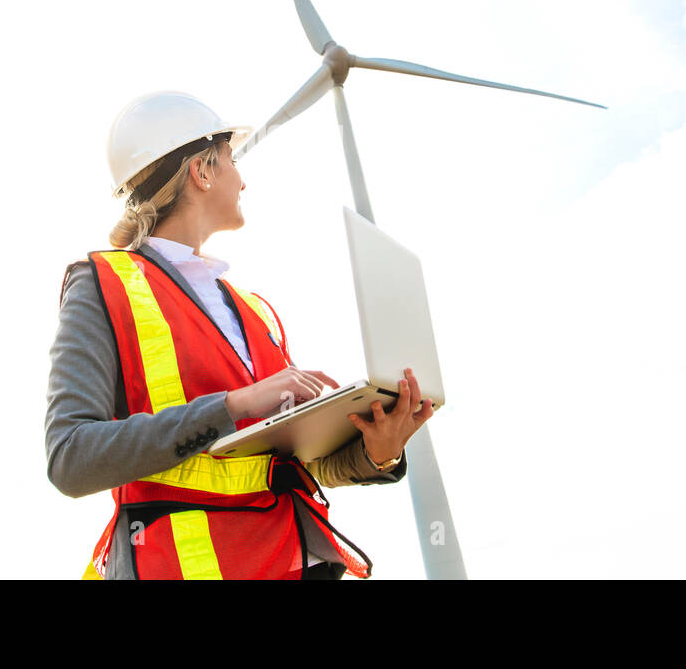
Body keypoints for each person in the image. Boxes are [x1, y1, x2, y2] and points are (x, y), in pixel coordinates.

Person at [44, 91, 435, 579]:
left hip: (294, 562)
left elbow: (291, 464)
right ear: (201, 172)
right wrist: (235, 405)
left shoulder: (256, 310)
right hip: (188, 565)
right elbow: (71, 457)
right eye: (232, 158)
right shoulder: (101, 283)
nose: (243, 179)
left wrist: (378, 448)